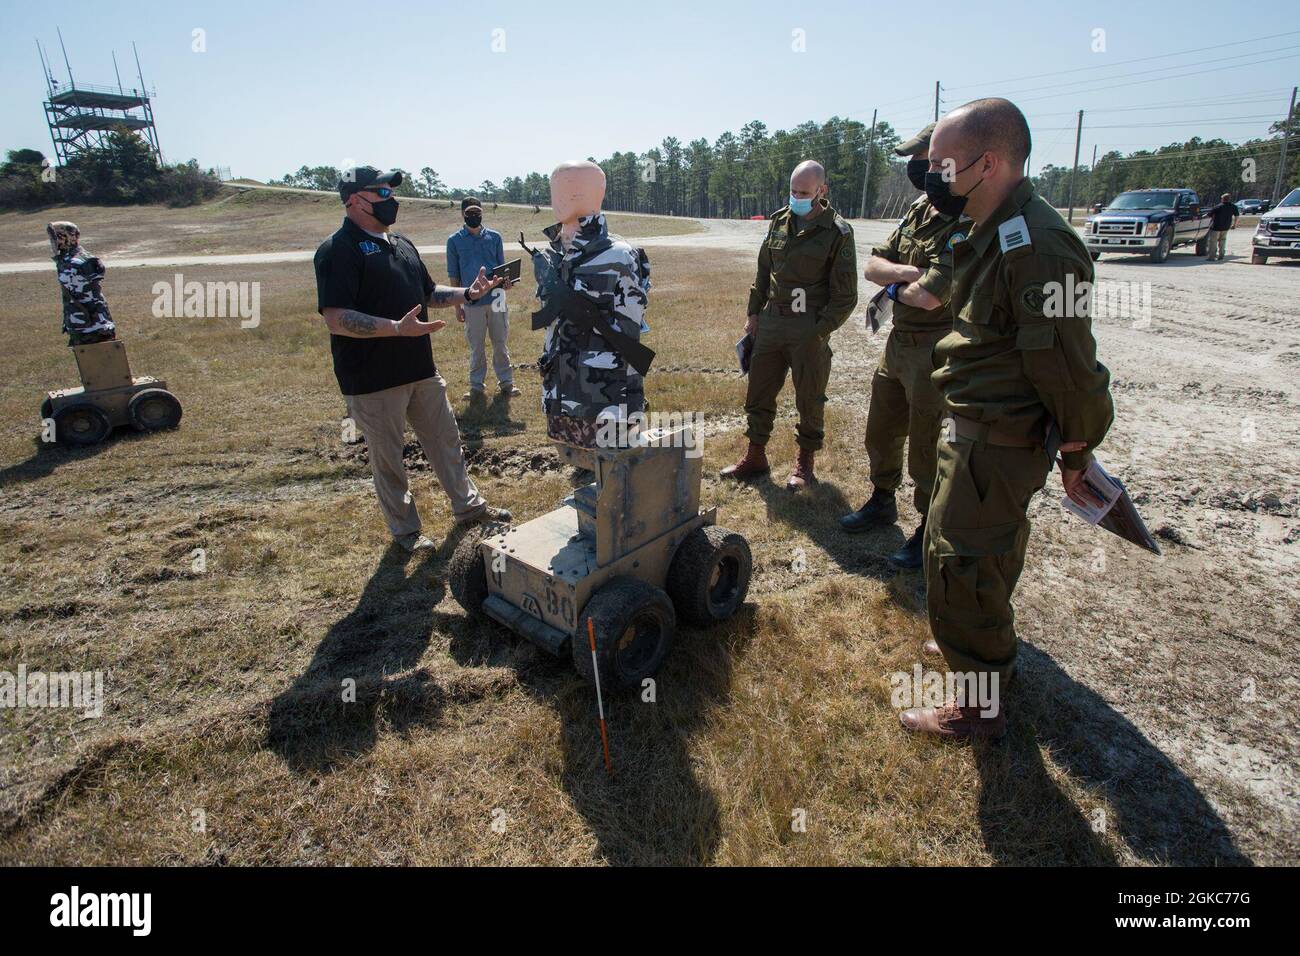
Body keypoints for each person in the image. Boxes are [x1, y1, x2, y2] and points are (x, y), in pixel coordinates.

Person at [903, 99, 1115, 739]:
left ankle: (979, 701)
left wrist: (1077, 452)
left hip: (1000, 439)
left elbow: (1071, 367)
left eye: (942, 165)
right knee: (975, 551)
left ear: (987, 163)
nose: (933, 176)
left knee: (963, 559)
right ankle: (978, 652)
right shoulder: (990, 227)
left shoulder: (1041, 246)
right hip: (974, 428)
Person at [314, 167, 510, 552]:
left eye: (391, 191)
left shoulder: (400, 243)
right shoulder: (338, 250)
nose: (391, 199)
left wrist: (468, 293)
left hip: (420, 368)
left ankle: (469, 508)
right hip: (372, 379)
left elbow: (429, 292)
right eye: (382, 191)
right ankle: (406, 531)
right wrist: (395, 329)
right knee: (390, 460)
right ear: (354, 200)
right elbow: (337, 318)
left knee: (446, 439)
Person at [840, 123, 968, 569]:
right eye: (918, 162)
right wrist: (903, 277)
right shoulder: (918, 209)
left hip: (935, 348)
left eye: (927, 162)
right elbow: (873, 265)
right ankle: (882, 499)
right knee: (882, 428)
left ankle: (928, 529)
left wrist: (896, 283)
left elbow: (933, 295)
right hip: (898, 343)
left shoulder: (963, 220)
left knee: (929, 443)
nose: (919, 170)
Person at [721, 160, 858, 491]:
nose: (796, 197)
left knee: (809, 398)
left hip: (807, 326)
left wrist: (818, 330)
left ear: (821, 191)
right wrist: (754, 314)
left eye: (804, 192)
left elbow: (846, 296)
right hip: (772, 321)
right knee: (759, 392)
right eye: (793, 191)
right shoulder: (779, 221)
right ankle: (755, 456)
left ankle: (805, 465)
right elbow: (763, 271)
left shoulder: (837, 232)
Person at [530, 160, 651, 449]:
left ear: (596, 194)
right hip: (561, 384)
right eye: (555, 190)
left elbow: (629, 329)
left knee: (616, 463)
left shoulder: (620, 256)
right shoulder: (554, 255)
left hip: (603, 389)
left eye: (572, 191)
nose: (558, 199)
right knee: (577, 457)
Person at [447, 196, 519, 401]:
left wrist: (507, 282)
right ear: (462, 214)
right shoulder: (454, 241)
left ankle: (507, 383)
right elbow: (454, 274)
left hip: (496, 297)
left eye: (477, 212)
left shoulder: (494, 237)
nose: (474, 216)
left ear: (482, 213)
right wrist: (457, 305)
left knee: (500, 342)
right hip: (471, 300)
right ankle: (476, 386)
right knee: (476, 345)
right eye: (469, 213)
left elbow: (503, 269)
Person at [47, 222, 116, 345]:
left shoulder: (84, 261)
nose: (53, 241)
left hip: (94, 327)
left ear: (68, 237)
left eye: (57, 237)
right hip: (78, 325)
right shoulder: (64, 260)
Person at [1206, 192, 1238, 261]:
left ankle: (1211, 257)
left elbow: (1209, 215)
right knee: (1223, 241)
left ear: (1223, 199)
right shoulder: (1233, 206)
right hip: (1226, 227)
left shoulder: (1218, 206)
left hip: (1216, 227)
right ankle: (1221, 256)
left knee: (1213, 242)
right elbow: (1237, 216)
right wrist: (1234, 224)